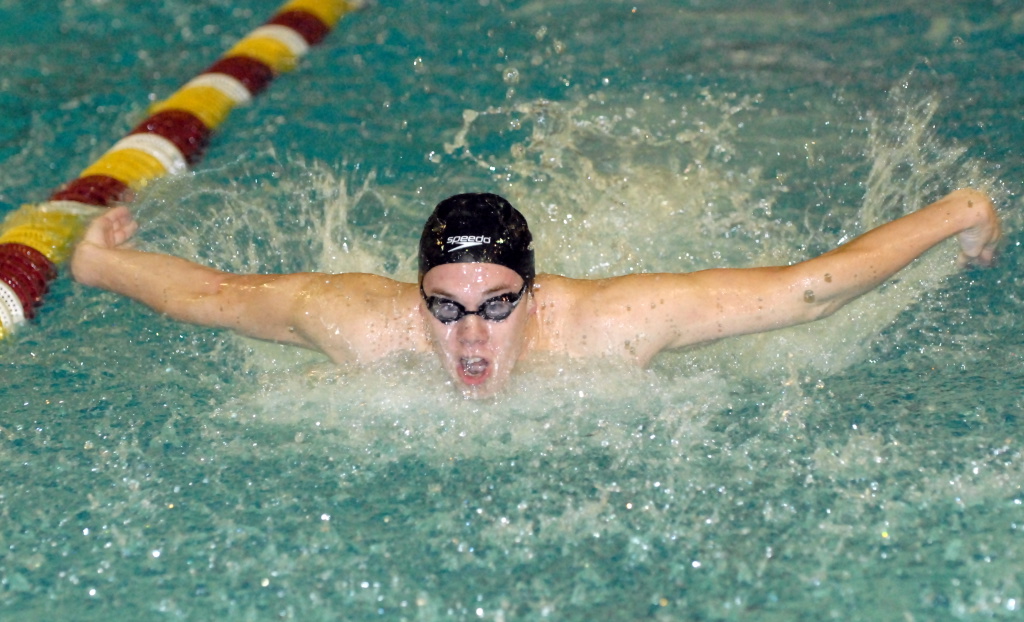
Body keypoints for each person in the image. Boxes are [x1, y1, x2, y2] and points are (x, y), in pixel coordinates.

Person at [71, 189, 1000, 398]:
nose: (470, 338)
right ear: (415, 296)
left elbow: (809, 291)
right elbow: (218, 294)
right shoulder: (359, 323)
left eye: (496, 305)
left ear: (537, 294)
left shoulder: (613, 326)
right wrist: (99, 263)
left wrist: (958, 210)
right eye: (445, 307)